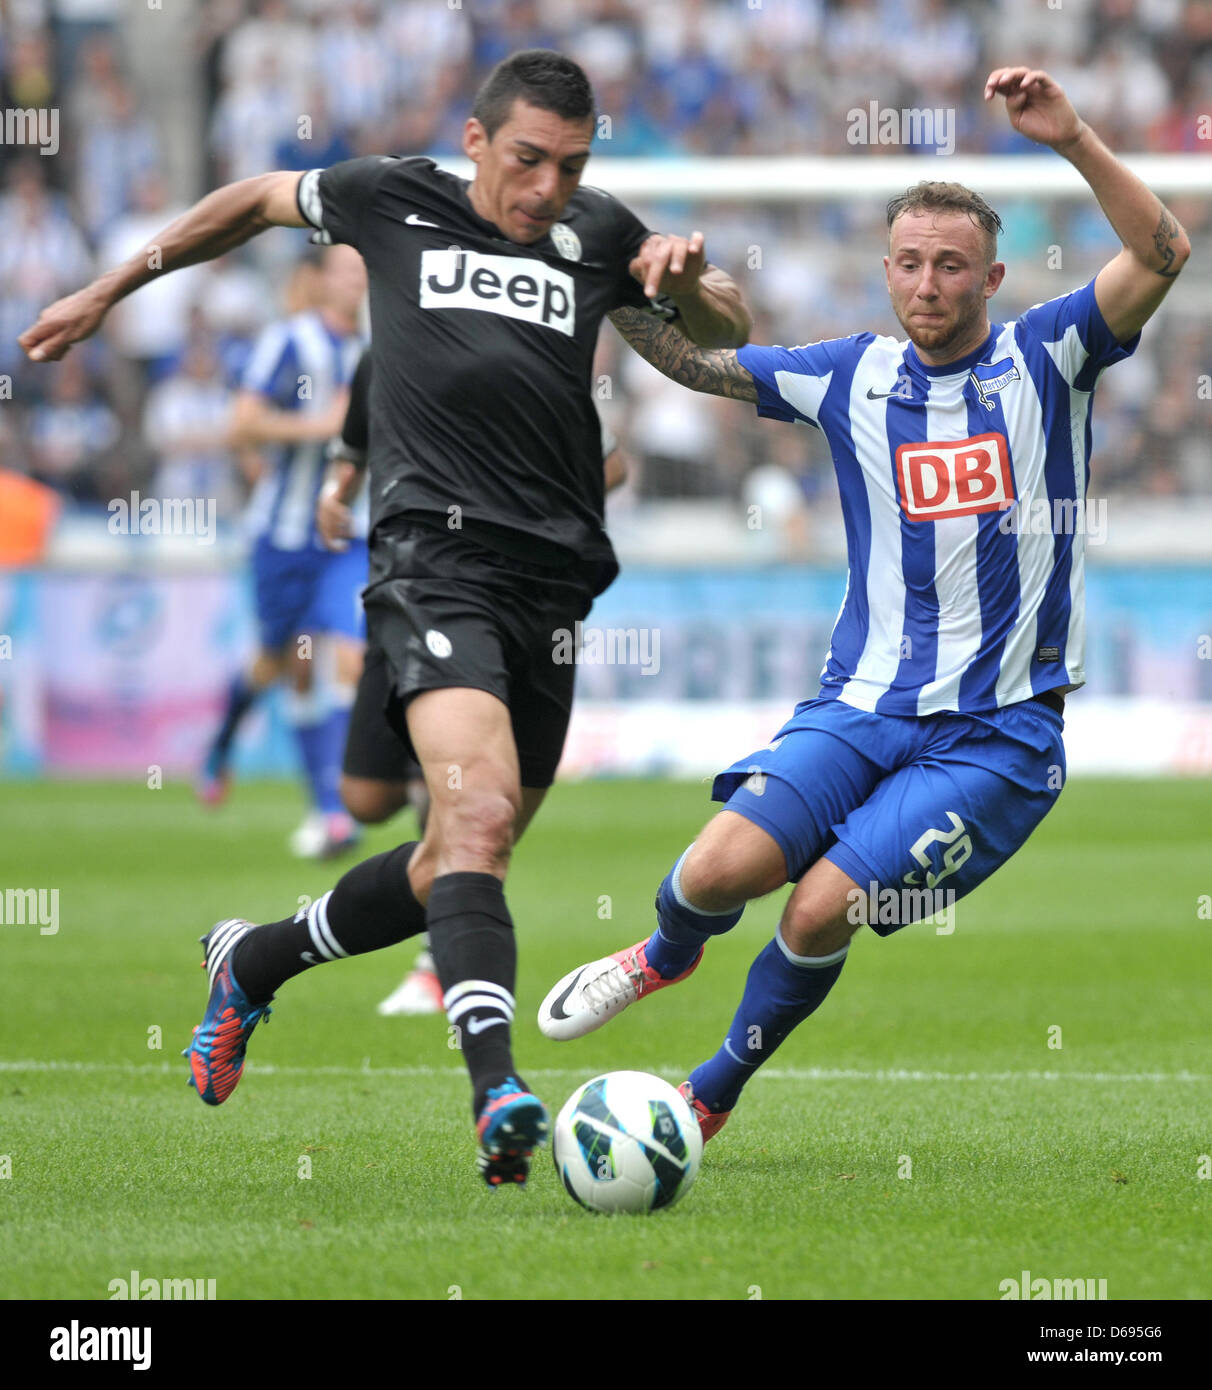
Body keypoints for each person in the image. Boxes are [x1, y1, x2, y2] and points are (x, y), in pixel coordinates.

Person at [19, 48, 751, 1186]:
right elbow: (252, 201)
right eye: (528, 160)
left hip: (555, 586)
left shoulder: (602, 234)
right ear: (475, 140)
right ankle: (497, 1091)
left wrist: (692, 283)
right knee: (474, 823)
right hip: (430, 560)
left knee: (454, 851)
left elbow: (718, 348)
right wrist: (109, 290)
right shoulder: (390, 197)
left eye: (570, 166)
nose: (548, 187)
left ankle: (254, 961)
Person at [537, 67, 1191, 1141]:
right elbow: (696, 361)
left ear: (992, 277)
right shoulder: (851, 375)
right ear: (886, 271)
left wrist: (1072, 137)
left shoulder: (1049, 354)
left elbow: (1163, 253)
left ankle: (708, 1096)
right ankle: (663, 954)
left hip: (999, 737)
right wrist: (607, 278)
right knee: (714, 872)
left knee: (817, 907)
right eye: (910, 263)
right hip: (861, 704)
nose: (928, 284)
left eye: (951, 265)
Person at [317, 346, 632, 1015]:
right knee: (366, 798)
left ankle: (438, 958)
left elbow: (612, 464)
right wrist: (334, 494)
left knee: (460, 800)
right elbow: (352, 451)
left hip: (495, 595)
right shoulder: (388, 352)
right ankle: (268, 952)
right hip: (406, 584)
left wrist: (531, 510)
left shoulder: (527, 352)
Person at [196, 244, 367, 862]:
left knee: (350, 654)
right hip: (283, 535)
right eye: (346, 269)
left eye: (364, 269)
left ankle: (334, 808)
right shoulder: (289, 342)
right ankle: (223, 739)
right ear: (318, 279)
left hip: (347, 532)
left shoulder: (376, 349)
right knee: (281, 663)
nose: (358, 280)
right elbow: (241, 424)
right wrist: (324, 428)